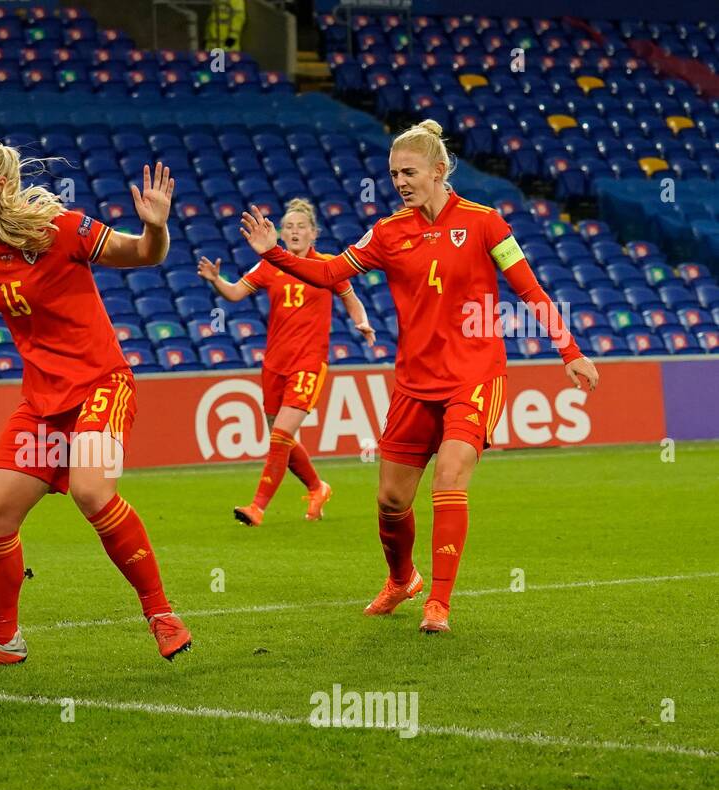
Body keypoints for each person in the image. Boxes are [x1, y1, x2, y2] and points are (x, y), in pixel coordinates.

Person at [240, 119, 599, 634]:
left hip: (475, 374)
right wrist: (273, 253)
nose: (400, 182)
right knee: (391, 500)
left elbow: (530, 290)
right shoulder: (388, 232)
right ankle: (402, 579)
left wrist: (570, 350)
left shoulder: (485, 223)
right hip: (414, 381)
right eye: (393, 174)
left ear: (439, 169)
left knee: (449, 477)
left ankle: (439, 604)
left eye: (408, 172)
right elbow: (331, 273)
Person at [0, 135, 192, 668]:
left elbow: (142, 254)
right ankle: (4, 642)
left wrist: (156, 227)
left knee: (92, 491)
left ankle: (160, 613)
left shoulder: (62, 228)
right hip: (43, 401)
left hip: (101, 386)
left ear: (1, 184)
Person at [197, 197, 375, 525]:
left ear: (313, 233)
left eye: (301, 227)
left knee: (280, 434)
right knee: (281, 438)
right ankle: (317, 487)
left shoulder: (327, 265)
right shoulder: (270, 265)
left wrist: (361, 322)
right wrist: (215, 280)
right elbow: (234, 293)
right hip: (274, 363)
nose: (294, 232)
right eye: (289, 227)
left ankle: (257, 507)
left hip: (309, 363)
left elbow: (351, 299)